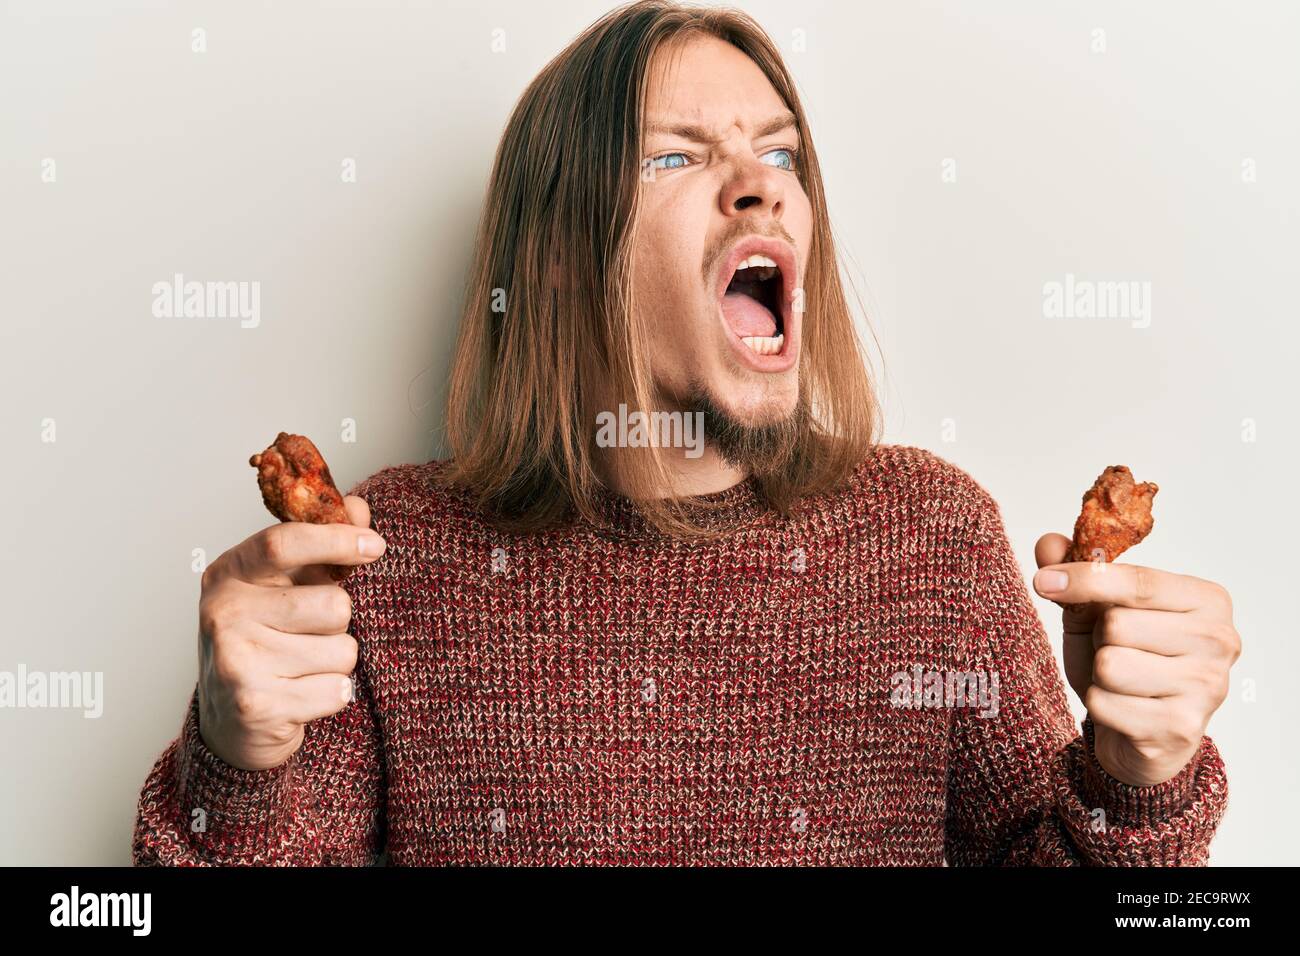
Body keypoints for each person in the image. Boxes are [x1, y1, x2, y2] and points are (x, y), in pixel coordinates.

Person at [132, 0, 1238, 866]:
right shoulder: (392, 555)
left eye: (781, 152)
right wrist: (236, 761)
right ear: (560, 255)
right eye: (676, 156)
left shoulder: (929, 539)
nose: (759, 187)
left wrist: (1140, 777)